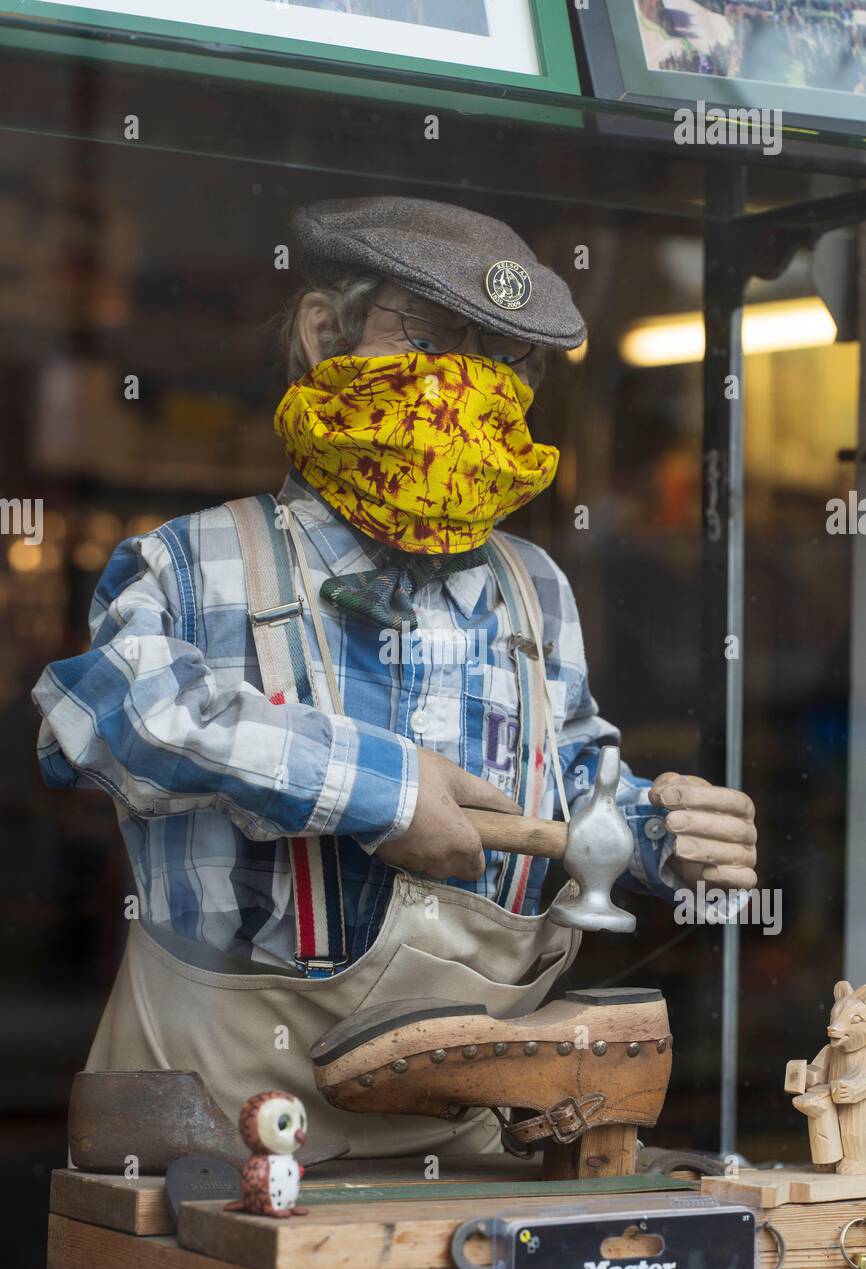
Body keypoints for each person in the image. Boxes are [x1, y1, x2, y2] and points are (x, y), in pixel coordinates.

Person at [32, 197, 757, 1157]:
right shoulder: (193, 560)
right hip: (211, 1137)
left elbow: (570, 791)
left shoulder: (533, 586)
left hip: (465, 1149)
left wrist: (660, 832)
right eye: (435, 340)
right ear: (325, 331)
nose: (471, 386)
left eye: (504, 361)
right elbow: (101, 719)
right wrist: (382, 789)